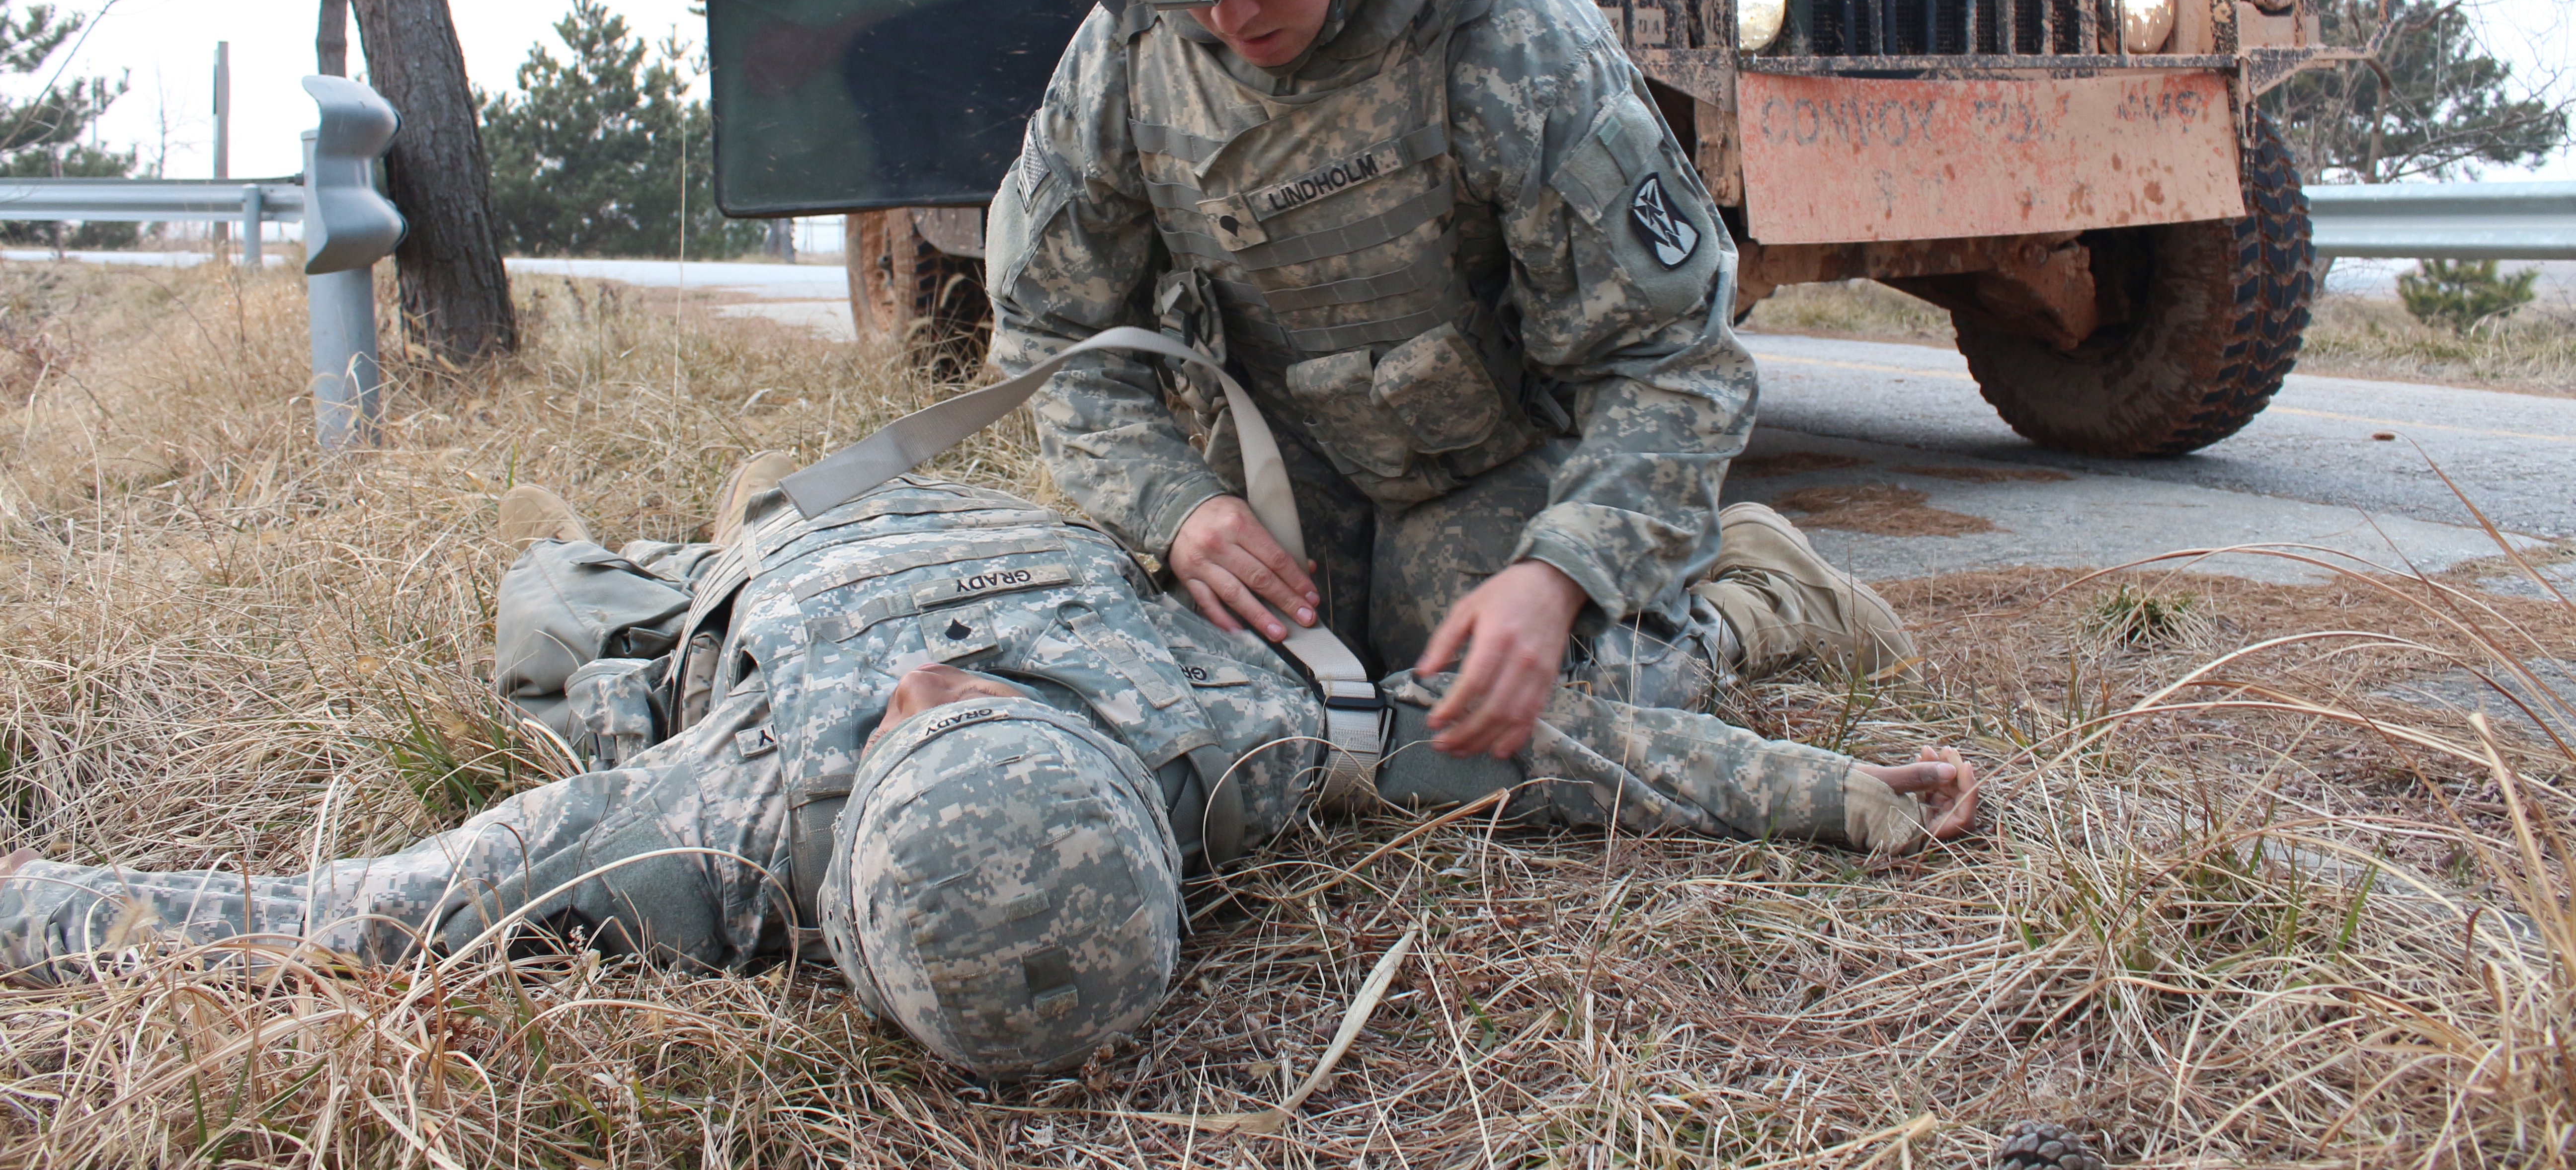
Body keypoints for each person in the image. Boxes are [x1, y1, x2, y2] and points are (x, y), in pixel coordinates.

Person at [0, 458, 1973, 1077]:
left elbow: (332, 914)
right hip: (876, 502)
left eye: (927, 716)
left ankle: (1749, 588)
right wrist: (1839, 795)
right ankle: (1758, 585)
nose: (932, 683)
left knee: (549, 631)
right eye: (955, 706)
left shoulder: (699, 836)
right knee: (1608, 634)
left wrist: (33, 906)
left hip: (779, 551)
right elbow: (1543, 750)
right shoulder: (1232, 734)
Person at [988, 0, 1812, 766]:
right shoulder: (1130, 57)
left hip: (1492, 466)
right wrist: (1174, 507)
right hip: (1273, 481)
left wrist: (1560, 571)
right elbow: (1055, 336)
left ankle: (1760, 592)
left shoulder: (1507, 34)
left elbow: (1672, 360)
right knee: (1241, 713)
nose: (1231, 15)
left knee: (1498, 718)